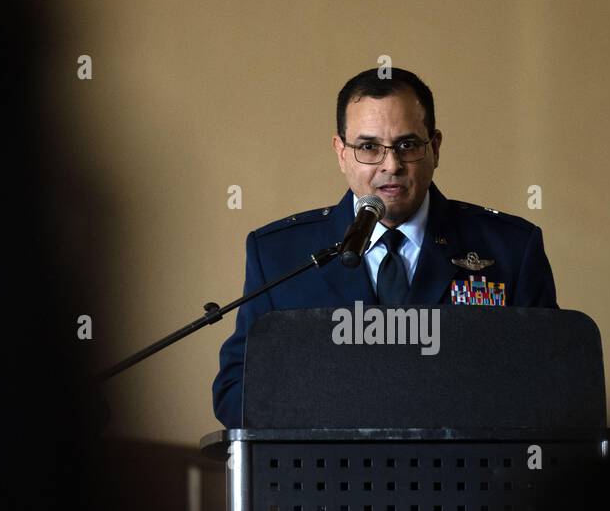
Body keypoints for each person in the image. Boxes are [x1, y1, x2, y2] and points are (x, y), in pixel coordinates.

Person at [212, 68, 558, 427]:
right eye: (368, 147)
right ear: (341, 153)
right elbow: (236, 392)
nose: (390, 165)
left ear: (435, 148)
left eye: (407, 145)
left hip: (467, 475)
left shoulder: (511, 248)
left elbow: (551, 385)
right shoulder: (279, 254)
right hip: (327, 476)